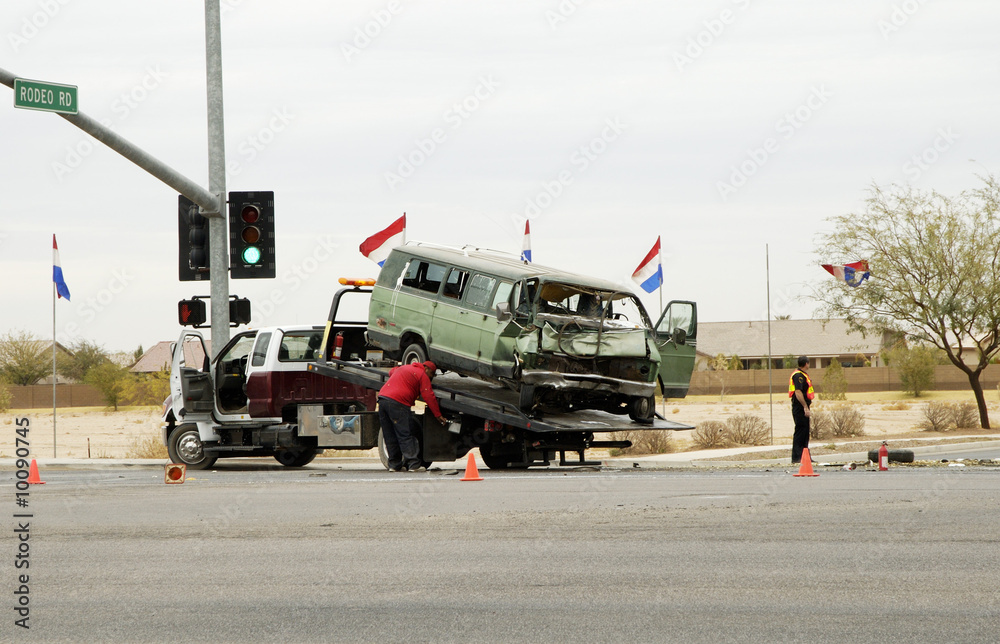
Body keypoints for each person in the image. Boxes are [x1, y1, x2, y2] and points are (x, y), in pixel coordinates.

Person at [377, 360, 446, 472]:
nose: (431, 378)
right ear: (426, 368)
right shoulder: (422, 375)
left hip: (383, 400)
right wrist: (438, 415)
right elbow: (429, 395)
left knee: (390, 435)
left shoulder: (405, 368)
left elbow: (391, 372)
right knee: (405, 434)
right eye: (432, 374)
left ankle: (394, 465)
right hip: (398, 403)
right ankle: (414, 464)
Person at [788, 355, 815, 464]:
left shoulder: (803, 375)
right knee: (800, 431)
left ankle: (805, 457)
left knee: (805, 432)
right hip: (799, 407)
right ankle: (797, 457)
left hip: (804, 407)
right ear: (806, 363)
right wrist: (805, 407)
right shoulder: (798, 375)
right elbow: (798, 392)